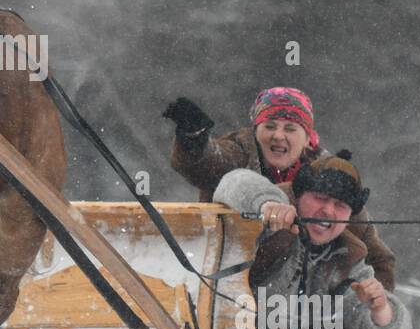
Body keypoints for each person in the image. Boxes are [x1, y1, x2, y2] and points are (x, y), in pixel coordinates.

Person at [213, 152, 413, 329]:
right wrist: (268, 204)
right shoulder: (270, 220)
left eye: (340, 205)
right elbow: (233, 181)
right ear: (300, 195)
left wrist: (380, 310)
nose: (328, 211)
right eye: (320, 198)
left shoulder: (350, 258)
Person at [164, 86, 397, 288]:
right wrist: (193, 139)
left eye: (290, 128)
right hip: (226, 278)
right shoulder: (240, 153)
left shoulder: (330, 177)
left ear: (308, 139)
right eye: (270, 126)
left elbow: (375, 256)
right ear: (256, 132)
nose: (278, 135)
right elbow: (208, 162)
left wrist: (373, 302)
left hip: (295, 301)